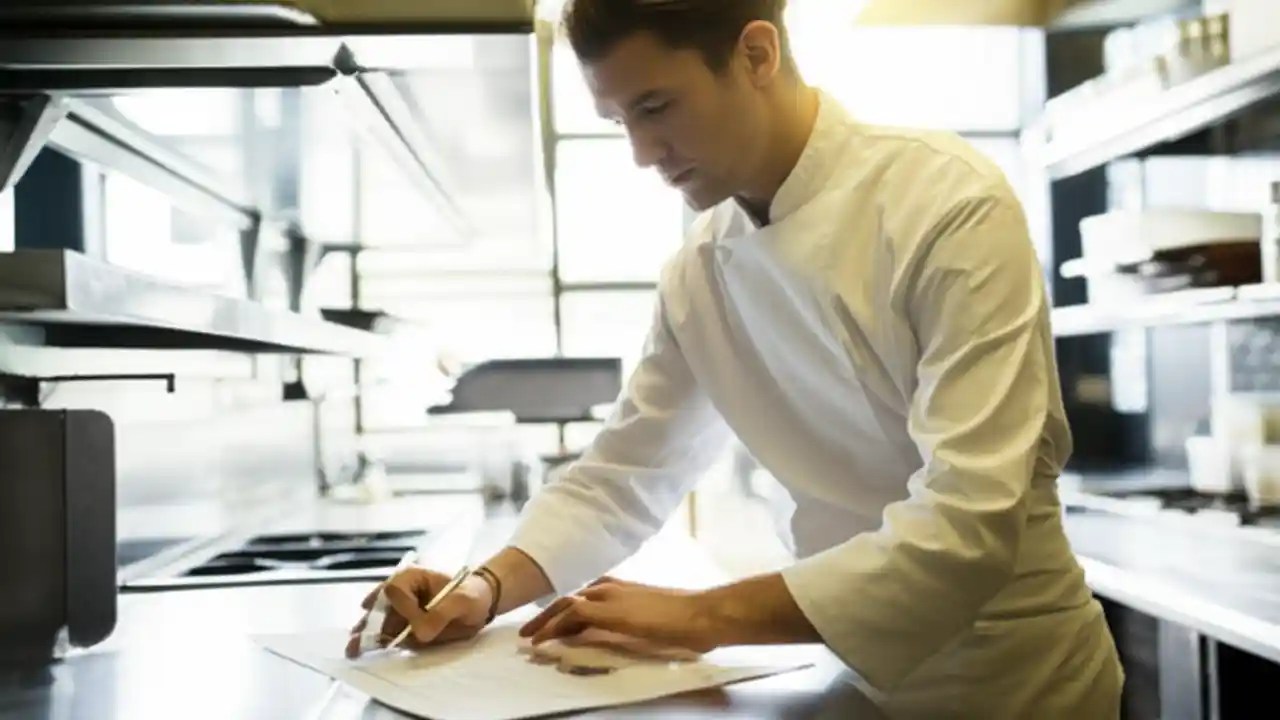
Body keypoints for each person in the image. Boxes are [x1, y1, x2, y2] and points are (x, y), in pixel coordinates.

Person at [347, 1, 1124, 716]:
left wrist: (701, 616)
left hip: (1021, 684)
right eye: (618, 119)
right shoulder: (701, 267)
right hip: (856, 677)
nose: (642, 154)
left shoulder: (950, 207)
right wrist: (483, 587)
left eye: (656, 108)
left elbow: (967, 524)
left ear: (756, 53)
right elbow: (622, 478)